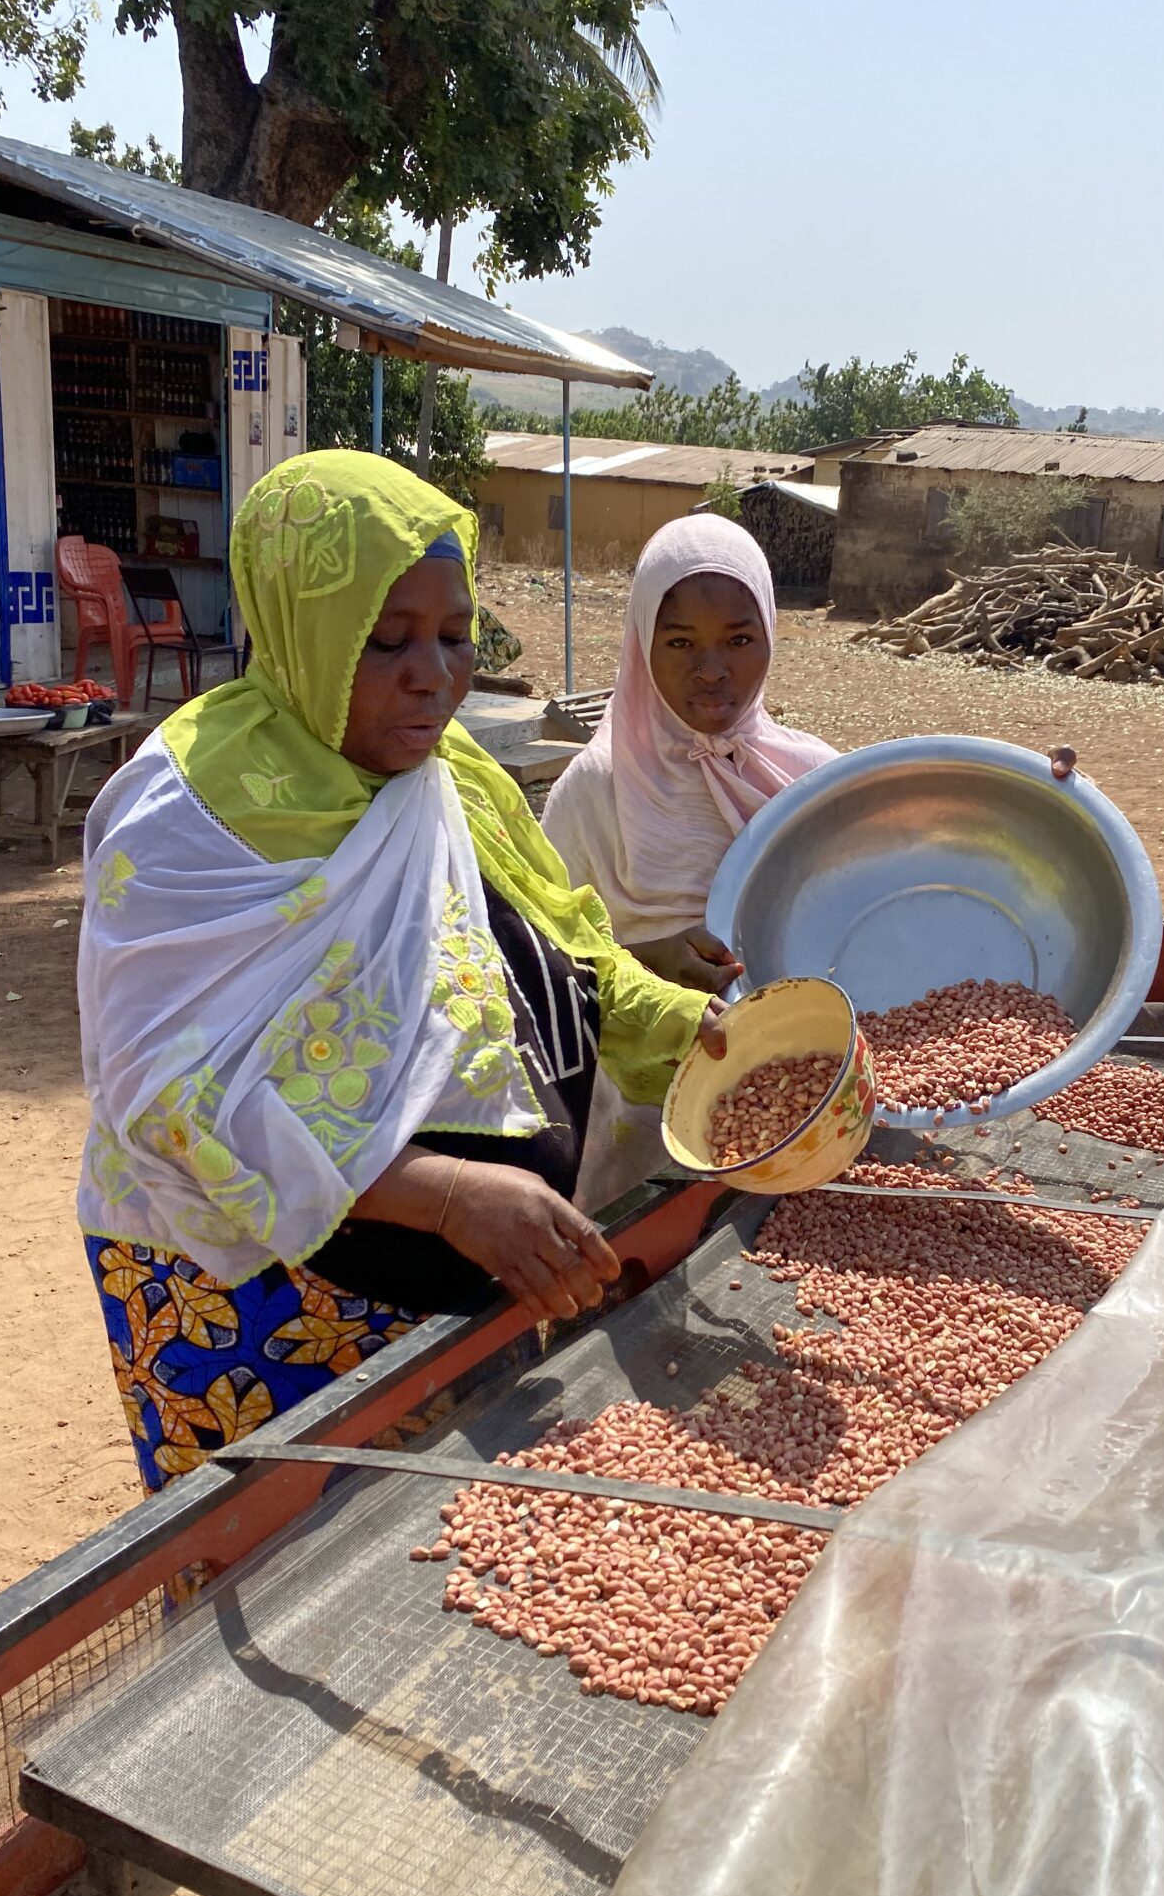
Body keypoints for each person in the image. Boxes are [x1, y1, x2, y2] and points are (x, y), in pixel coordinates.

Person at [77, 451, 724, 1494]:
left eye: (457, 636)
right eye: (387, 641)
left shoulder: (448, 773)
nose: (435, 674)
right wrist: (447, 1195)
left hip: (451, 1277)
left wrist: (692, 1029)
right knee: (282, 1556)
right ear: (304, 629)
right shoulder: (191, 816)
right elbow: (166, 1097)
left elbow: (561, 955)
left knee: (433, 1537)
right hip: (257, 1296)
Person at [542, 515, 837, 995]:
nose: (711, 670)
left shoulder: (817, 781)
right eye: (680, 642)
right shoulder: (597, 789)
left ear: (769, 634)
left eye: (738, 640)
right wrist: (644, 965)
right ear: (643, 644)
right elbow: (539, 960)